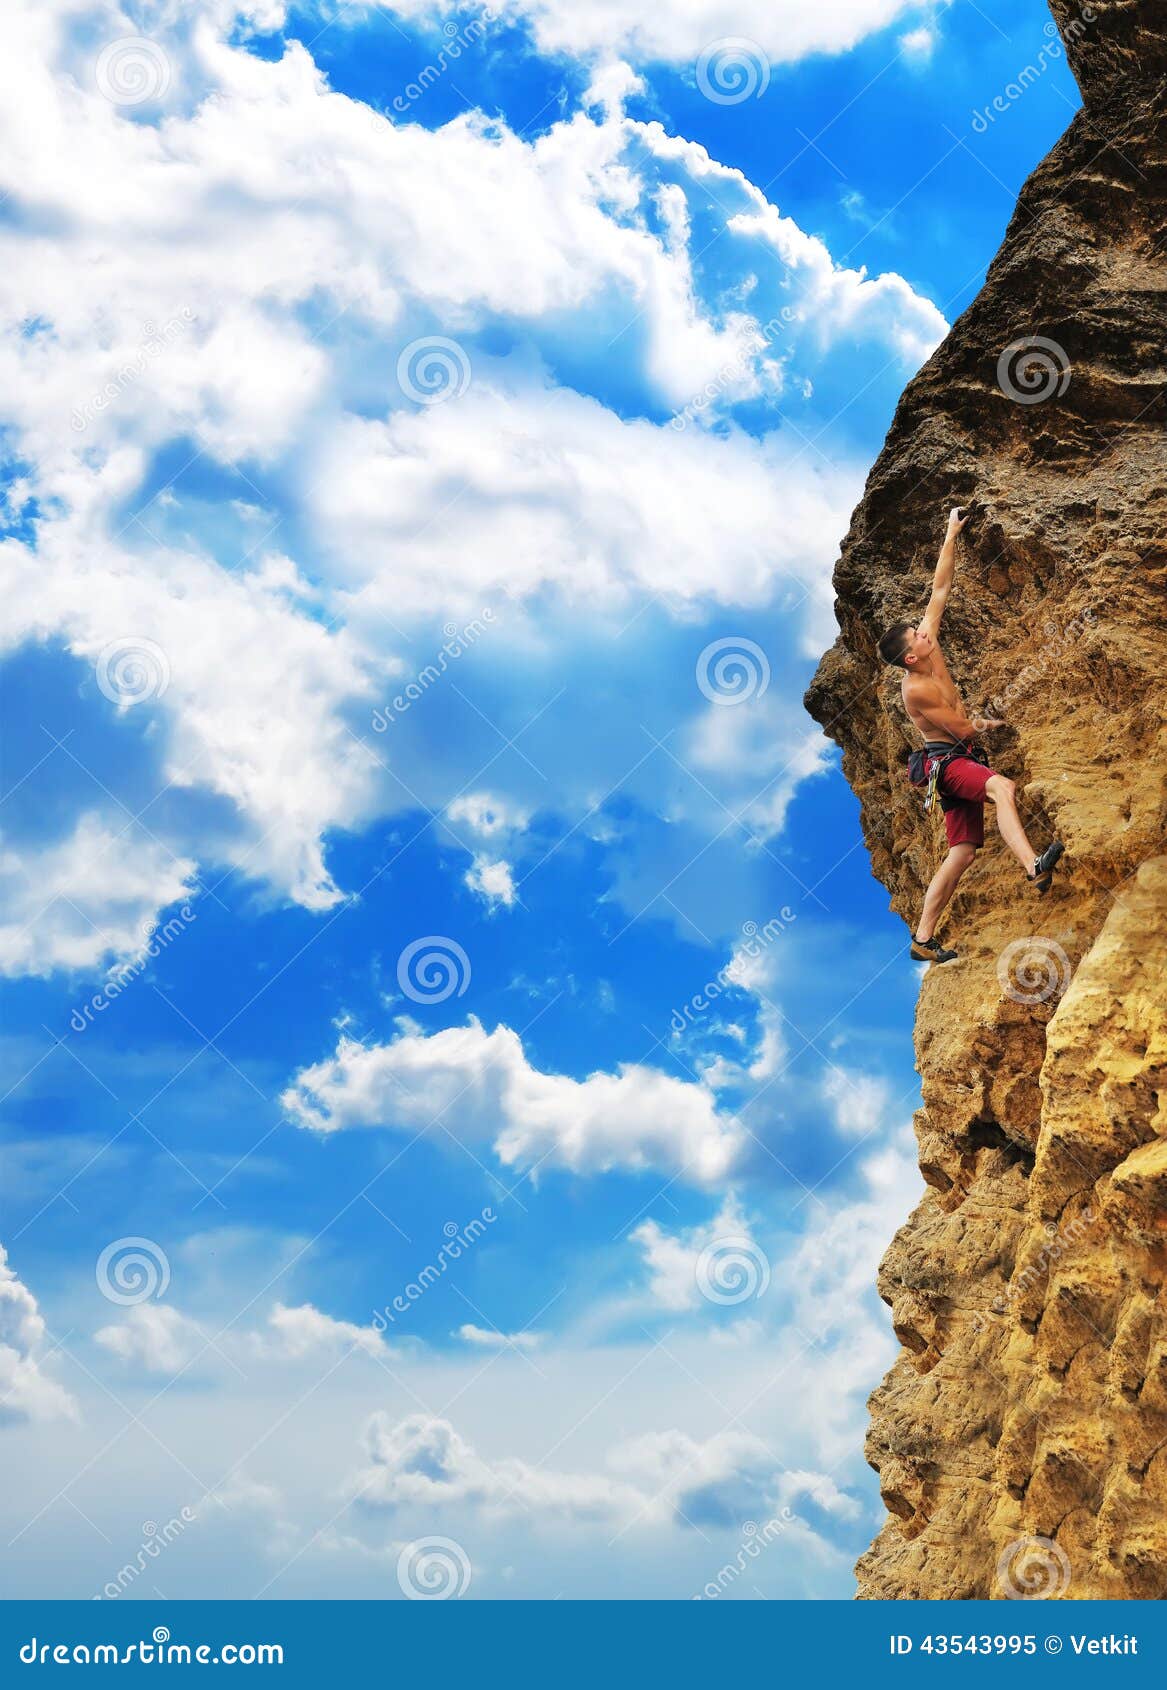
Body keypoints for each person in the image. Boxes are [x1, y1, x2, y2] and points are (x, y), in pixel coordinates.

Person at [876, 506, 1064, 964]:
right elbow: (960, 729)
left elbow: (939, 588)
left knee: (961, 852)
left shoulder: (927, 647)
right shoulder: (917, 691)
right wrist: (992, 721)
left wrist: (950, 532)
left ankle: (922, 939)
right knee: (1002, 786)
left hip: (958, 757)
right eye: (916, 637)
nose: (923, 633)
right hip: (948, 760)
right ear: (911, 660)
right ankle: (1032, 867)